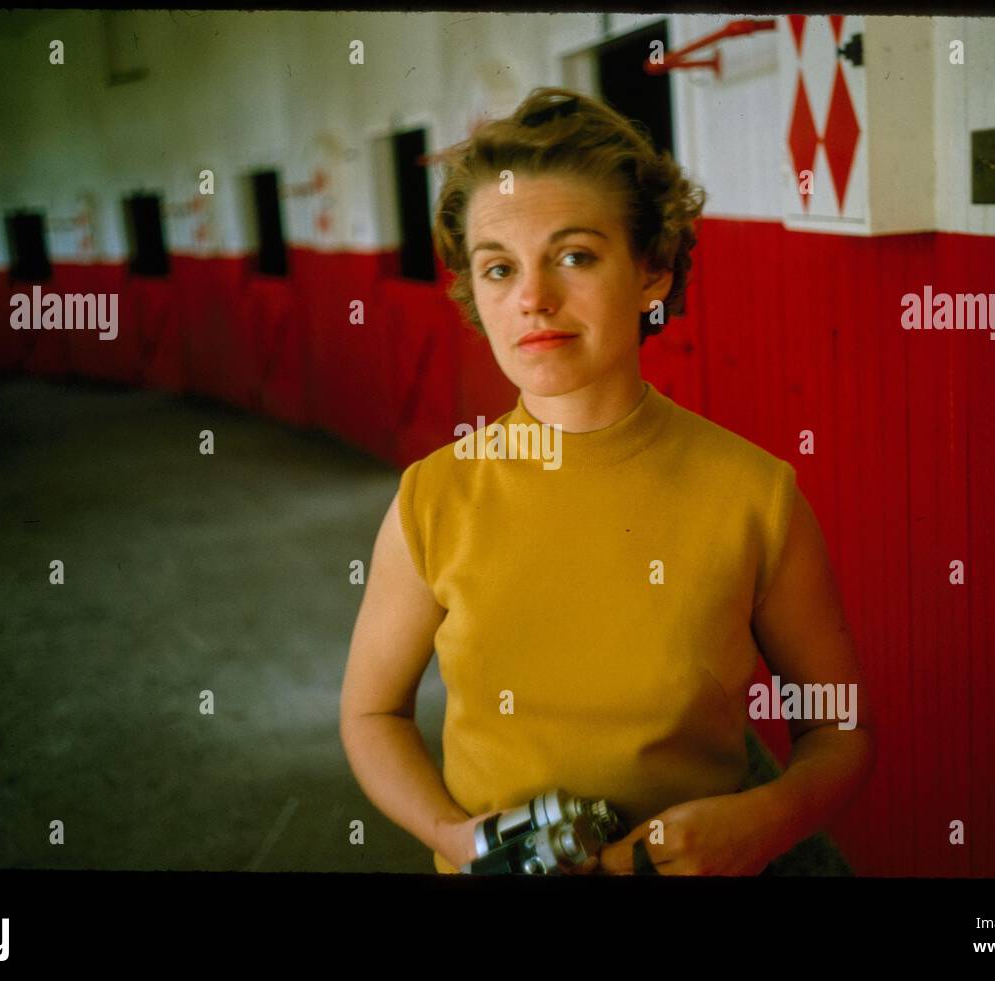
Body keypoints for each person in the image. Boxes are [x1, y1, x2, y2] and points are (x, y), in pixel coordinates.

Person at [339, 87, 875, 875]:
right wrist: (457, 838)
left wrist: (765, 821)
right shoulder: (432, 498)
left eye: (575, 254)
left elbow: (839, 729)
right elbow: (371, 711)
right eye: (498, 268)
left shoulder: (754, 495)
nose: (532, 298)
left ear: (652, 271)